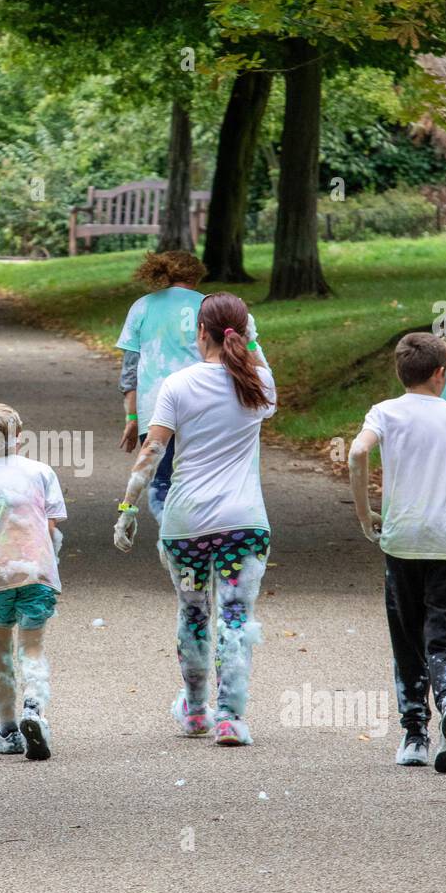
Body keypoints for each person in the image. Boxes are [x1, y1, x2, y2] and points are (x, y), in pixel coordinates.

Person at [114, 292, 276, 748]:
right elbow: (257, 361)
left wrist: (127, 510)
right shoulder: (259, 383)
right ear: (243, 334)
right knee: (236, 616)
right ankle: (231, 718)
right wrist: (250, 335)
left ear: (199, 333)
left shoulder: (177, 385)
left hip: (186, 525)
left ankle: (195, 711)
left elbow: (152, 452)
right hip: (244, 524)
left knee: (193, 612)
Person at [349, 332, 446, 773]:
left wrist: (365, 514)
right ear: (440, 373)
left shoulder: (385, 412)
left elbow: (358, 451)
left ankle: (414, 733)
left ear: (401, 372)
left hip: (401, 539)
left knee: (406, 633)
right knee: (445, 632)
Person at [0, 403, 66, 761]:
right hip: (36, 572)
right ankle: (33, 710)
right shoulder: (40, 472)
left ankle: (7, 729)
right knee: (32, 646)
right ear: (19, 438)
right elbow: (51, 527)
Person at [116, 251, 208, 522]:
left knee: (161, 479)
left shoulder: (142, 306)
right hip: (202, 402)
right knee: (198, 478)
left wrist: (132, 418)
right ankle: (196, 534)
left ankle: (172, 535)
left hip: (154, 406)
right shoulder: (208, 305)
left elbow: (130, 370)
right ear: (196, 274)